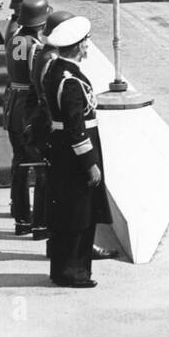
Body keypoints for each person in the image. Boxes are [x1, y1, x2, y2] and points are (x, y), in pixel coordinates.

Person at [41, 16, 110, 288]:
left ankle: (62, 269)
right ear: (78, 46)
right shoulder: (70, 81)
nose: (88, 46)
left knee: (67, 213)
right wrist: (90, 162)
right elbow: (76, 128)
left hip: (60, 150)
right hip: (74, 155)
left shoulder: (55, 70)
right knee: (79, 214)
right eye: (85, 42)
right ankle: (73, 272)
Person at [4, 0, 51, 237]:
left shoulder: (14, 37)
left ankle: (21, 218)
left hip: (13, 103)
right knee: (40, 166)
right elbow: (38, 81)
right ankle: (41, 224)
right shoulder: (36, 46)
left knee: (20, 163)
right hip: (29, 108)